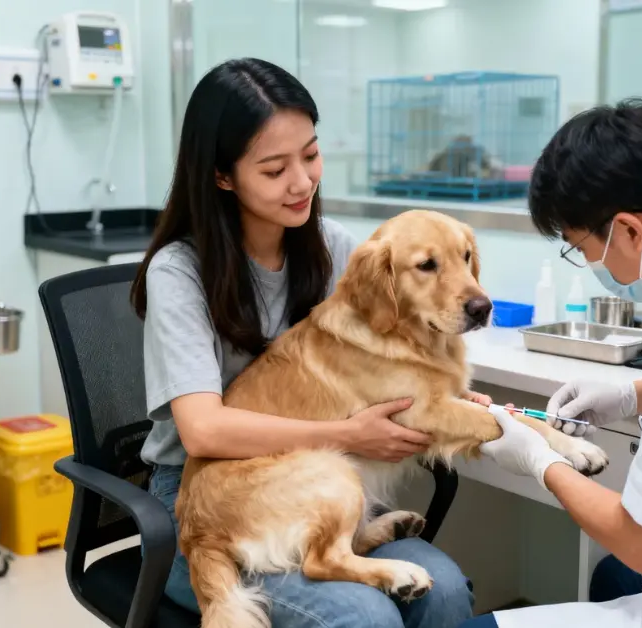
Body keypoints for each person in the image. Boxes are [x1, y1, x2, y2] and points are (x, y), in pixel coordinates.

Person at [130, 58, 475, 628]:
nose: (302, 182)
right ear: (222, 175)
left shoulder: (334, 248)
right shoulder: (180, 271)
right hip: (206, 500)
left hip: (318, 488)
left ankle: (343, 546)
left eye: (311, 155)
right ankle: (334, 557)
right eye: (273, 169)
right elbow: (204, 430)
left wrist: (448, 402)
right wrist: (345, 435)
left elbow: (393, 361)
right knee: (365, 619)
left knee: (446, 596)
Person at [460, 99, 642, 627]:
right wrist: (633, 394)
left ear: (629, 231)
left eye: (581, 248)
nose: (592, 264)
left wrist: (539, 462)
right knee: (611, 577)